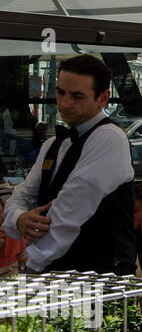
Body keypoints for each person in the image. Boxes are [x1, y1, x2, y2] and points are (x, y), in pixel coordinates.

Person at [3, 55, 135, 274]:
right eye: (61, 92)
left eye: (77, 96)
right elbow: (21, 195)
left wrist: (30, 263)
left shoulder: (110, 138)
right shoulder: (52, 145)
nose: (65, 104)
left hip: (100, 276)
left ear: (103, 98)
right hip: (55, 275)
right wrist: (20, 218)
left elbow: (70, 208)